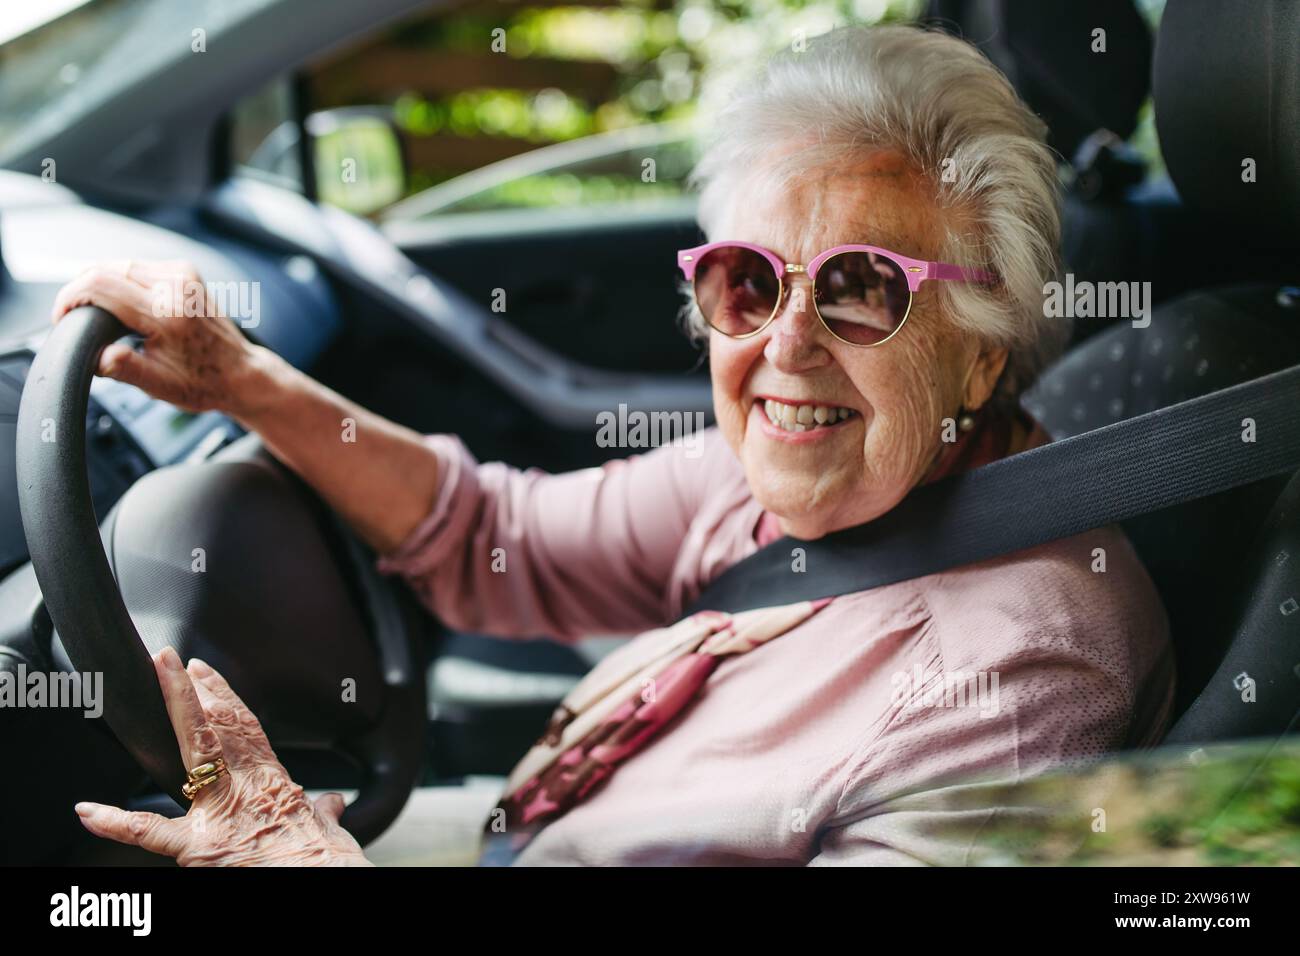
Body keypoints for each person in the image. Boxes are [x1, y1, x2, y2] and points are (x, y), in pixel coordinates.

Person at [60, 24, 1172, 866]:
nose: (788, 345)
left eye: (863, 289)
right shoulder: (792, 476)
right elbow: (496, 535)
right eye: (751, 280)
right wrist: (238, 378)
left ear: (982, 354)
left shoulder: (1019, 679)